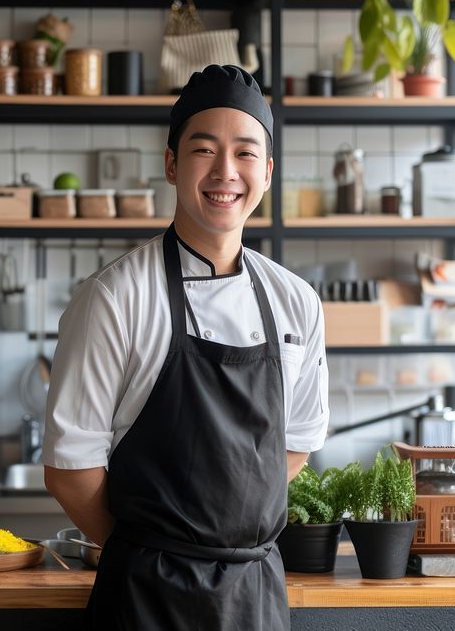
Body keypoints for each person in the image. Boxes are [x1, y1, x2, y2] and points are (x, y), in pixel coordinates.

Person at [42, 64, 330, 630]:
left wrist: (224, 542)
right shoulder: (115, 297)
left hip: (254, 597)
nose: (226, 172)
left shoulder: (297, 301)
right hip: (145, 599)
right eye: (204, 150)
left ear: (267, 173)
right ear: (172, 164)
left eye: (245, 153)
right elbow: (70, 469)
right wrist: (148, 554)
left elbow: (295, 445)